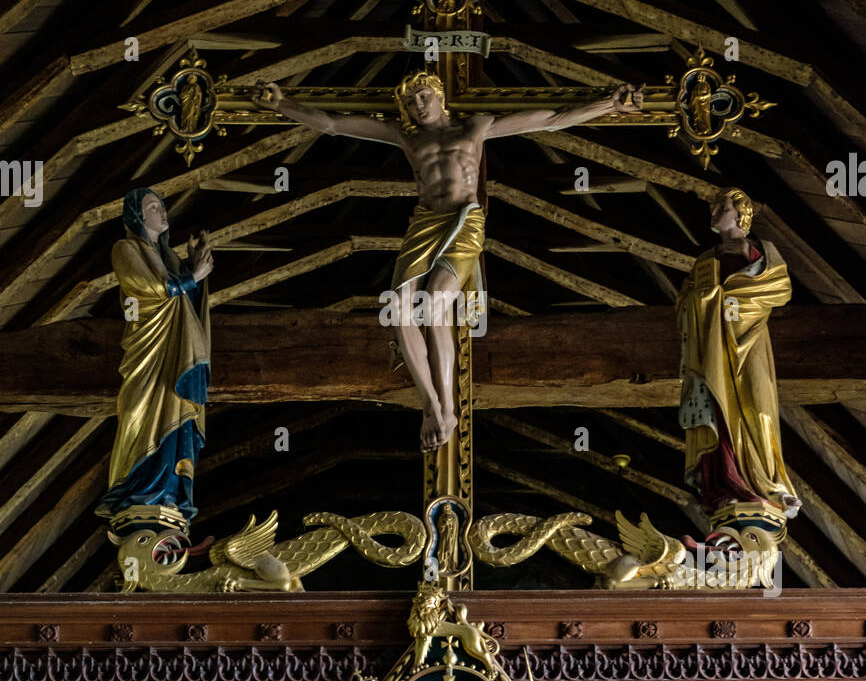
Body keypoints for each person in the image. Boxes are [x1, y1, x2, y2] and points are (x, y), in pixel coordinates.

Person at [254, 71, 642, 450]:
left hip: (464, 218)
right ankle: (430, 404)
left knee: (436, 302)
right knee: (399, 308)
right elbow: (333, 125)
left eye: (423, 95)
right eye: (409, 101)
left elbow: (552, 120)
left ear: (440, 96)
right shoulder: (404, 136)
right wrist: (283, 103)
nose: (417, 104)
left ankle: (450, 407)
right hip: (425, 221)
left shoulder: (475, 127)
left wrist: (609, 103)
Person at [676, 187, 800, 519]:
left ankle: (765, 483)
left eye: (722, 205)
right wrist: (704, 303)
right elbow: (685, 303)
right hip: (711, 348)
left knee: (758, 408)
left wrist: (745, 263)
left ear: (741, 213)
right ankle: (723, 486)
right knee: (717, 412)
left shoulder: (762, 251)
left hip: (749, 341)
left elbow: (779, 289)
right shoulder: (704, 262)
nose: (714, 210)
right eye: (713, 205)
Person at [96, 188, 214, 525]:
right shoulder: (125, 248)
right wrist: (193, 277)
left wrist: (193, 267)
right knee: (141, 412)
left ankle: (170, 493)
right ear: (136, 215)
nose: (162, 212)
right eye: (152, 207)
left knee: (178, 418)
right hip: (148, 350)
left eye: (162, 206)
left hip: (177, 351)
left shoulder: (171, 259)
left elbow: (186, 306)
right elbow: (145, 287)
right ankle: (139, 489)